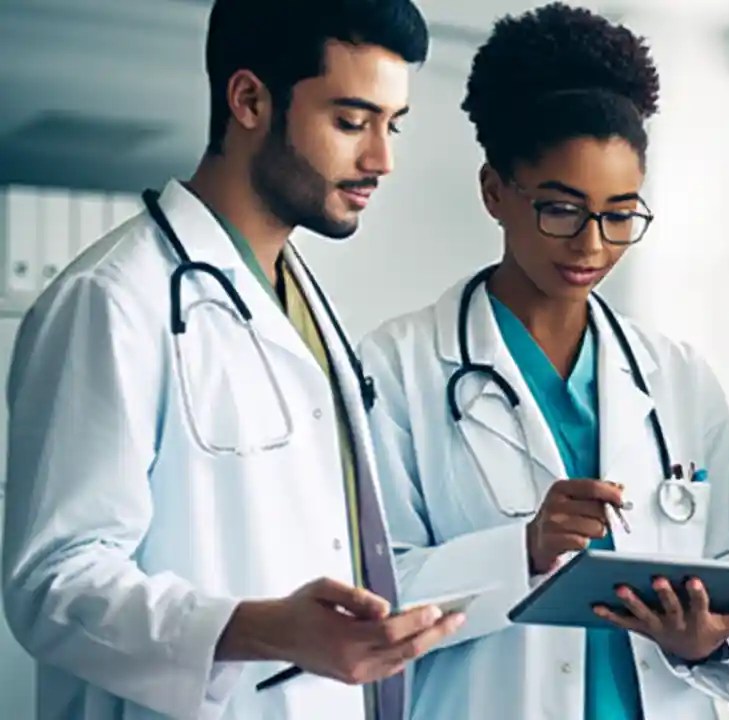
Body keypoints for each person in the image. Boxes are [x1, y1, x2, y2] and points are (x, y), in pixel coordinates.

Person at [0, 2, 460, 719]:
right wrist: (261, 629)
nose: (382, 159)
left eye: (390, 125)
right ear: (249, 100)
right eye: (350, 121)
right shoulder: (114, 300)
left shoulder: (301, 298)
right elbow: (53, 584)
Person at [357, 4, 729, 719]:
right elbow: (376, 592)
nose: (591, 244)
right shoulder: (398, 367)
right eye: (561, 209)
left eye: (620, 215)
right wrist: (522, 548)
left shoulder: (676, 377)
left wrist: (706, 637)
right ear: (495, 192)